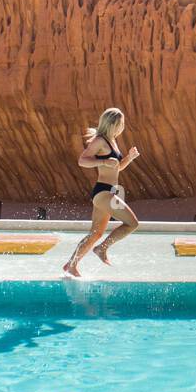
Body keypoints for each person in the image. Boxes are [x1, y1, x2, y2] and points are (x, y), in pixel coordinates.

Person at [62, 107, 140, 278]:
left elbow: (116, 167)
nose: (123, 127)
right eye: (121, 123)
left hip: (108, 191)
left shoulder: (112, 141)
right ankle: (102, 248)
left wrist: (128, 158)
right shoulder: (100, 140)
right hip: (104, 192)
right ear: (112, 124)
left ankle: (71, 264)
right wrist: (104, 160)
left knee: (96, 233)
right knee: (132, 224)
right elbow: (82, 161)